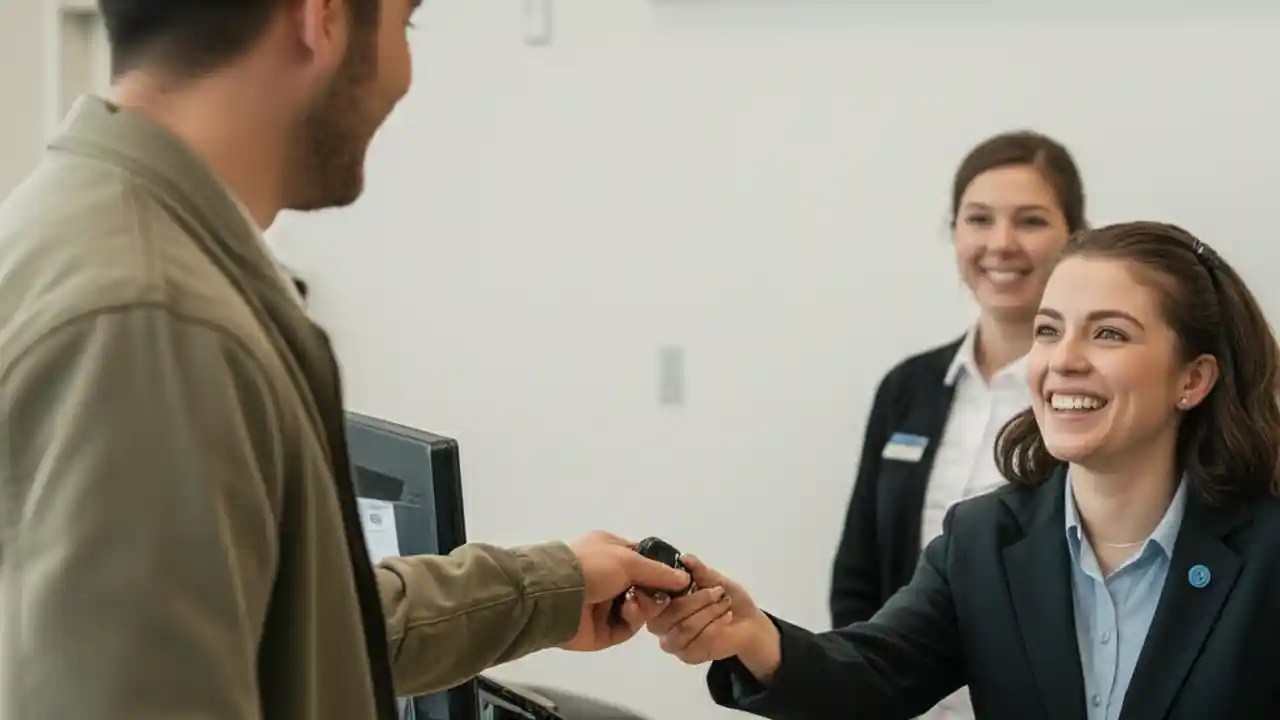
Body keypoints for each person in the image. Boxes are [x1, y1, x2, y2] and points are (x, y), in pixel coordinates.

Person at [0, 1, 689, 718]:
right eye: (405, 24)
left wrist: (547, 589)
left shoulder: (98, 241)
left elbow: (284, 628)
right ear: (321, 17)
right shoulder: (157, 322)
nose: (404, 74)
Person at [650, 222, 1280, 719]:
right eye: (1048, 330)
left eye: (1109, 334)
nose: (1064, 361)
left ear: (1193, 380)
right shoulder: (983, 540)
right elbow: (871, 678)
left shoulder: (1265, 548)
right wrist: (751, 635)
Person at [829, 130, 1086, 718]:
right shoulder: (908, 389)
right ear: (953, 233)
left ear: (1074, 238)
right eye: (978, 219)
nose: (1001, 244)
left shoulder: (1084, 394)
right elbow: (858, 571)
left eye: (1030, 220)